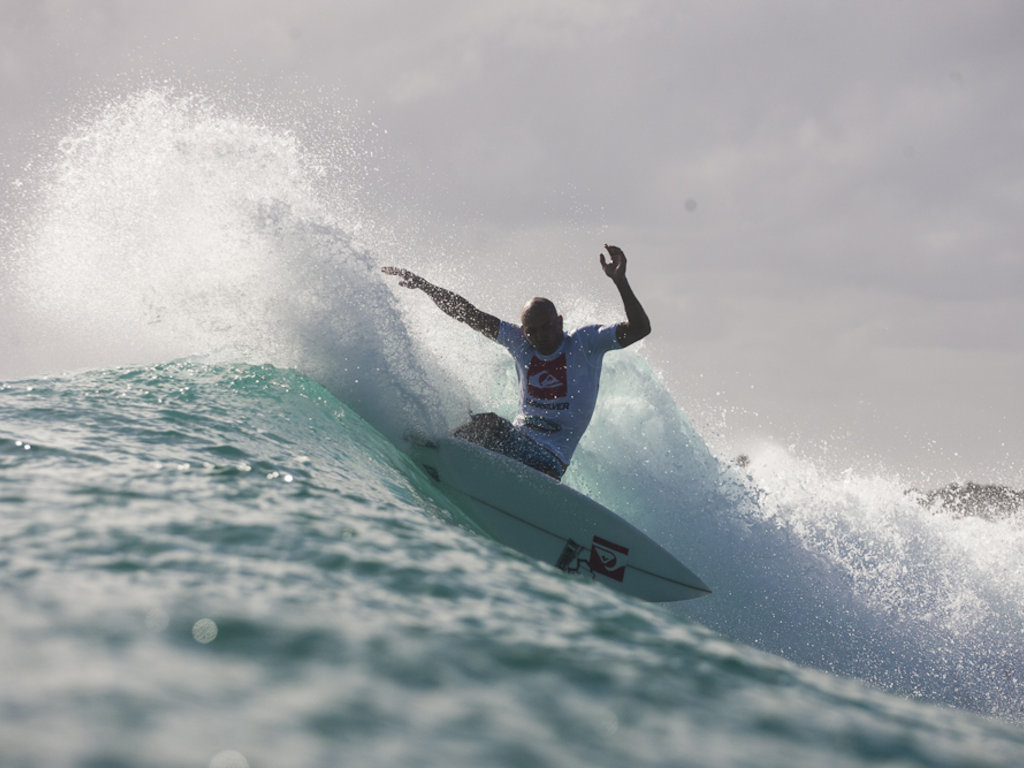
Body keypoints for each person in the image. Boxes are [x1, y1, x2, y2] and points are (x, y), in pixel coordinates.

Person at [381, 244, 650, 480]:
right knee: (466, 415)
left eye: (546, 327)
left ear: (559, 322)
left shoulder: (585, 343)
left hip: (550, 460)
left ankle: (436, 452)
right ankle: (438, 456)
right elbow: (468, 313)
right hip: (515, 444)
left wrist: (620, 281)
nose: (540, 336)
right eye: (532, 331)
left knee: (490, 425)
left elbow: (640, 329)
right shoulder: (519, 341)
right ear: (524, 331)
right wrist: (426, 286)